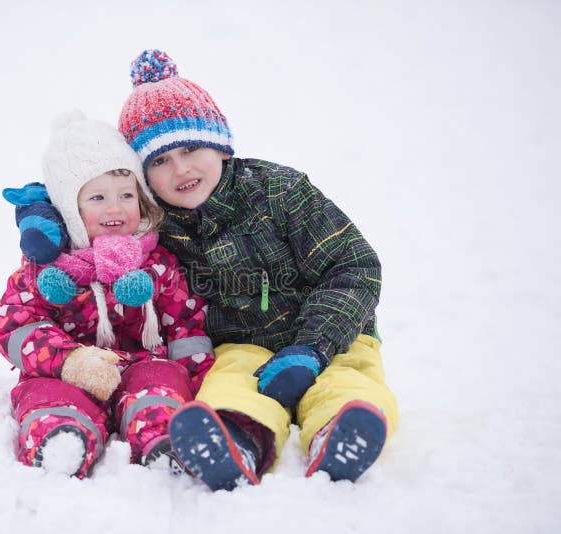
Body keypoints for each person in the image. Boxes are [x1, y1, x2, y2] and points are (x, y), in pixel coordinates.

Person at [113, 49, 400, 490]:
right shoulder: (157, 227)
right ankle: (236, 439)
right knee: (228, 385)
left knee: (347, 378)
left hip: (335, 335)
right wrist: (47, 210)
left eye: (191, 148)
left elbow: (354, 264)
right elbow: (94, 219)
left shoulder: (278, 191)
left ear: (221, 145)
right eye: (159, 161)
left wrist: (314, 347)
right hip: (242, 347)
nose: (181, 169)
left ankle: (341, 432)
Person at [0, 110, 214, 478]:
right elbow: (14, 323)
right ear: (69, 209)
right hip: (68, 370)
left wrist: (200, 380)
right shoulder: (45, 269)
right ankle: (63, 437)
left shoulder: (155, 262)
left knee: (161, 383)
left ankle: (163, 437)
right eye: (96, 197)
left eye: (126, 194)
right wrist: (67, 361)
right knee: (46, 393)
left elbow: (186, 325)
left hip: (144, 364)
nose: (115, 208)